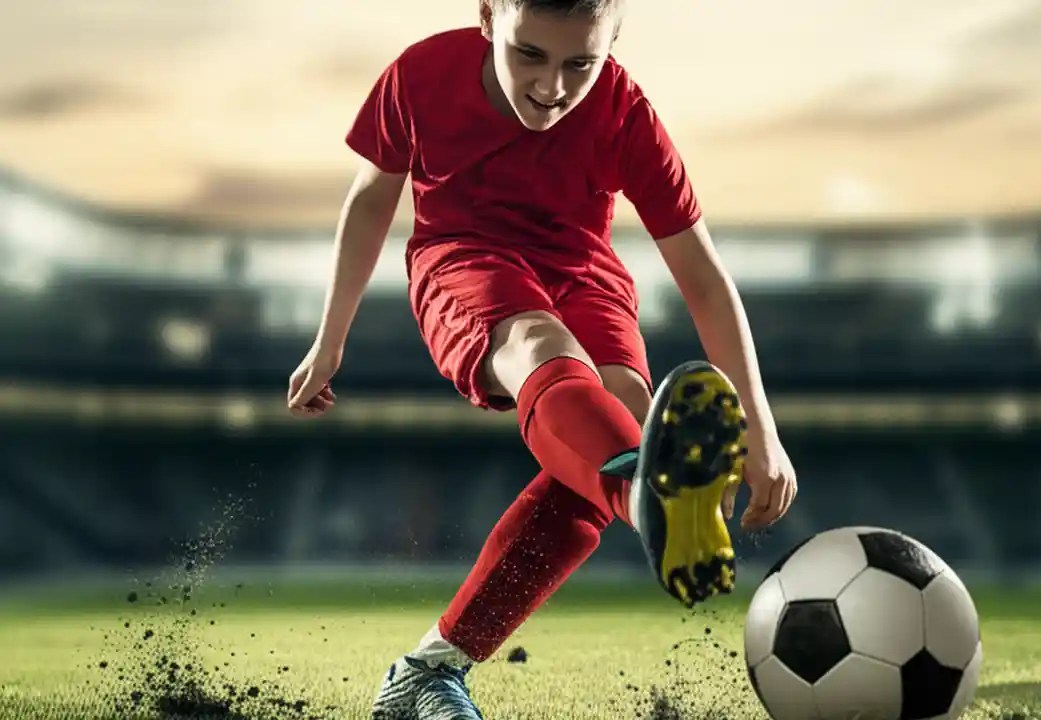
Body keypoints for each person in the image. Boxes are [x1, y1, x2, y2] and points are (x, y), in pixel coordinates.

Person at [285, 1, 797, 717]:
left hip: (584, 274)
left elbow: (705, 279)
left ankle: (428, 671)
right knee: (541, 348)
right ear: (491, 17)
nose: (551, 88)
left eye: (579, 64)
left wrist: (762, 434)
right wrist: (329, 337)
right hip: (464, 258)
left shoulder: (626, 115)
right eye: (531, 54)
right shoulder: (421, 76)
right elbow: (372, 201)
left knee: (614, 421)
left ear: (612, 44)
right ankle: (647, 499)